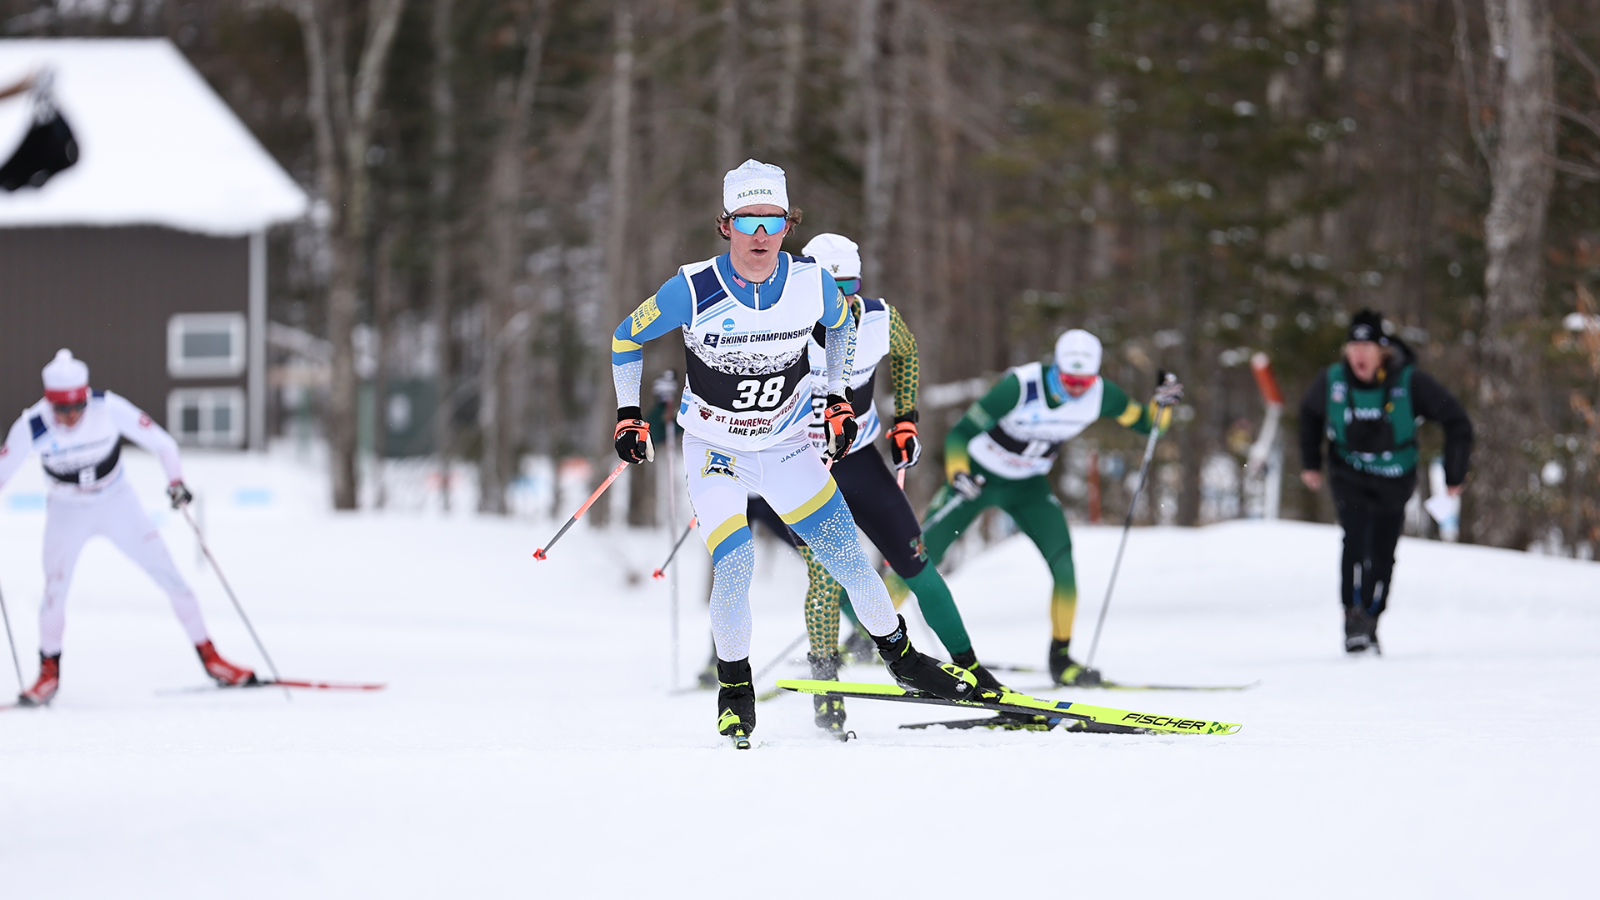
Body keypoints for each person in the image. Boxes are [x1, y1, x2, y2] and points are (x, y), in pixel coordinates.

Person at [608, 160, 976, 743]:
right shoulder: (694, 288)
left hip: (783, 446)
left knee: (849, 561)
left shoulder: (812, 283)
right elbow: (626, 336)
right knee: (735, 565)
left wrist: (834, 398)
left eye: (772, 221)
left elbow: (843, 327)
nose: (760, 234)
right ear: (726, 225)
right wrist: (629, 415)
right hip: (716, 451)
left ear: (788, 226)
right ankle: (734, 689)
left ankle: (904, 661)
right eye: (747, 220)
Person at [741, 232, 1001, 737]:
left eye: (851, 286)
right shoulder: (777, 324)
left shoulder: (879, 317)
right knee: (826, 577)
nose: (845, 300)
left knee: (917, 563)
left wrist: (906, 419)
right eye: (831, 288)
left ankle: (971, 671)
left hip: (859, 459)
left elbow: (905, 353)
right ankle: (828, 688)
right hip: (804, 467)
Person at [905, 329, 1181, 686]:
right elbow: (959, 434)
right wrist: (958, 473)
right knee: (916, 555)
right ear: (1056, 368)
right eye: (1069, 379)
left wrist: (1164, 404)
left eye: (1085, 380)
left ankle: (1061, 659)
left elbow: (1147, 424)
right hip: (978, 478)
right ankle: (864, 637)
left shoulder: (1101, 395)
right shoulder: (1020, 387)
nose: (1077, 388)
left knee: (1064, 564)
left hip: (1029, 486)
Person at [0, 350, 257, 706]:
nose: (71, 416)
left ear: (86, 396)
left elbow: (163, 444)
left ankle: (212, 660)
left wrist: (176, 482)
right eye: (62, 409)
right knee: (55, 591)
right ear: (49, 402)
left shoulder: (107, 408)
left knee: (171, 576)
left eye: (77, 407)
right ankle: (48, 674)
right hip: (66, 509)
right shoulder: (32, 425)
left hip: (117, 502)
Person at [1298, 310, 1471, 654]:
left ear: (1383, 350)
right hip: (1348, 470)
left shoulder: (1409, 381)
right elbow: (1309, 414)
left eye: (1367, 346)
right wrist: (1310, 464)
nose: (1359, 354)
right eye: (1353, 345)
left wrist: (1454, 475)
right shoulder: (1331, 381)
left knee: (1382, 551)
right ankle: (1352, 618)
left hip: (1395, 476)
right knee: (1354, 539)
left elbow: (1457, 421)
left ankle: (1373, 617)